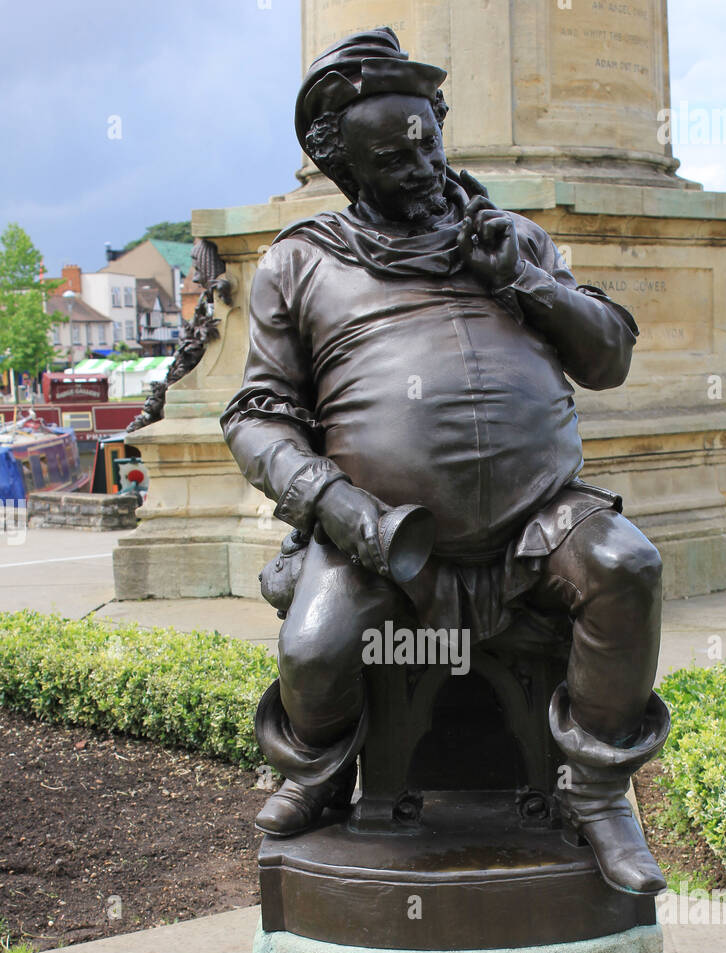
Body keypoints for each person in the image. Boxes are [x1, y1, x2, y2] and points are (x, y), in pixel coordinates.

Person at [221, 26, 670, 895]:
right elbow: (258, 415)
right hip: (382, 530)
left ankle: (599, 791)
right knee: (314, 650)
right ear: (343, 166)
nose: (420, 167)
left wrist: (531, 286)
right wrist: (333, 504)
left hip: (540, 516)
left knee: (628, 566)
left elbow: (609, 359)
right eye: (390, 157)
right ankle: (315, 770)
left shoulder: (515, 241)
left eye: (427, 141)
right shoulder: (302, 263)